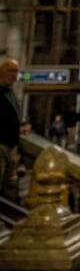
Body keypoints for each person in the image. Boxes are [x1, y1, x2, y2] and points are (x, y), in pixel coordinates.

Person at [0, 58, 21, 200]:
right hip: (1, 142)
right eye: (10, 70)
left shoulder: (10, 92)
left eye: (16, 72)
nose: (13, 75)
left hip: (11, 144)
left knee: (10, 183)